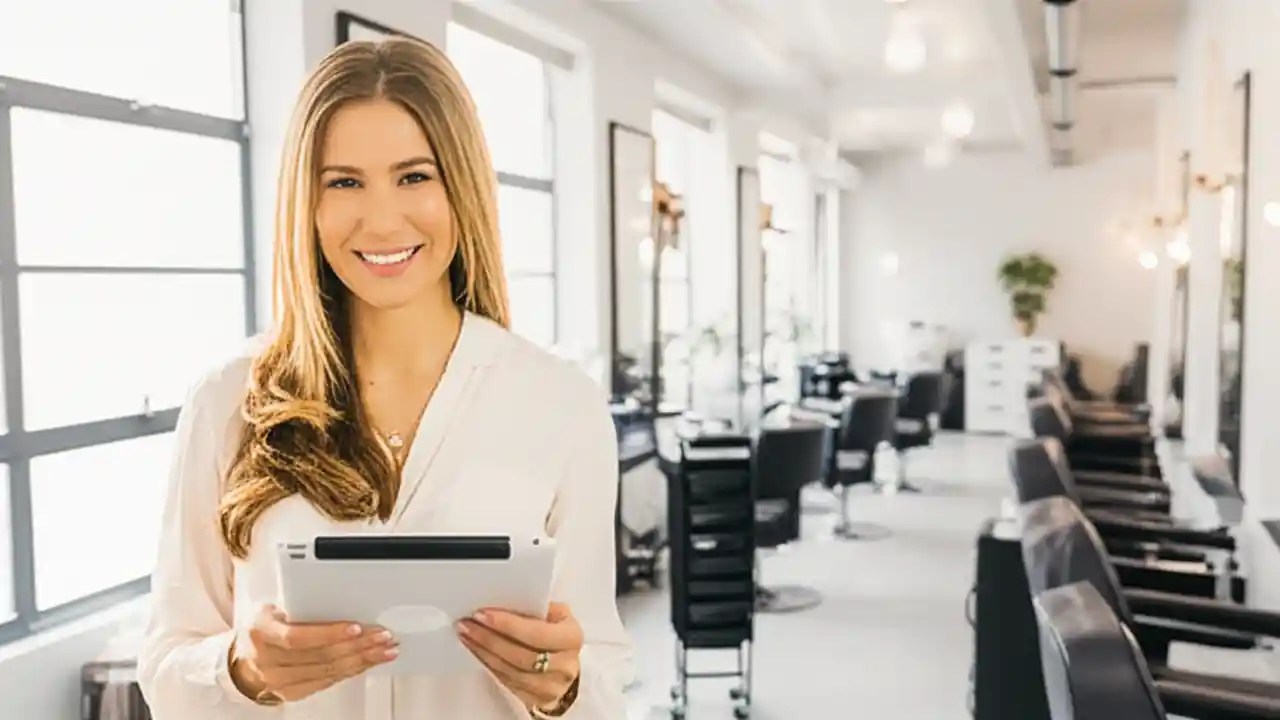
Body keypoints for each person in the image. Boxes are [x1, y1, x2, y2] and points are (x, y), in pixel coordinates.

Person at [136, 36, 631, 719]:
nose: (381, 219)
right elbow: (164, 671)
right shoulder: (227, 401)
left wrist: (565, 687)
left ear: (461, 186)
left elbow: (602, 680)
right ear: (306, 202)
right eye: (344, 182)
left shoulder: (560, 405)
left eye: (414, 176)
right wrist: (241, 669)